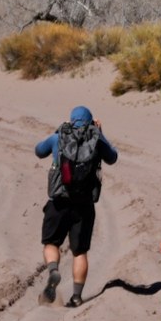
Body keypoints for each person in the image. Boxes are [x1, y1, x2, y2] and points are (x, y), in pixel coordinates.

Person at [35, 105, 117, 308]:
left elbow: (38, 151)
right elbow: (113, 158)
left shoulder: (59, 138)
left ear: (72, 120)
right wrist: (100, 132)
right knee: (79, 252)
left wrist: (59, 133)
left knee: (51, 243)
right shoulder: (96, 140)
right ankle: (76, 297)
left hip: (59, 202)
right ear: (91, 122)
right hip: (84, 205)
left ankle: (54, 269)